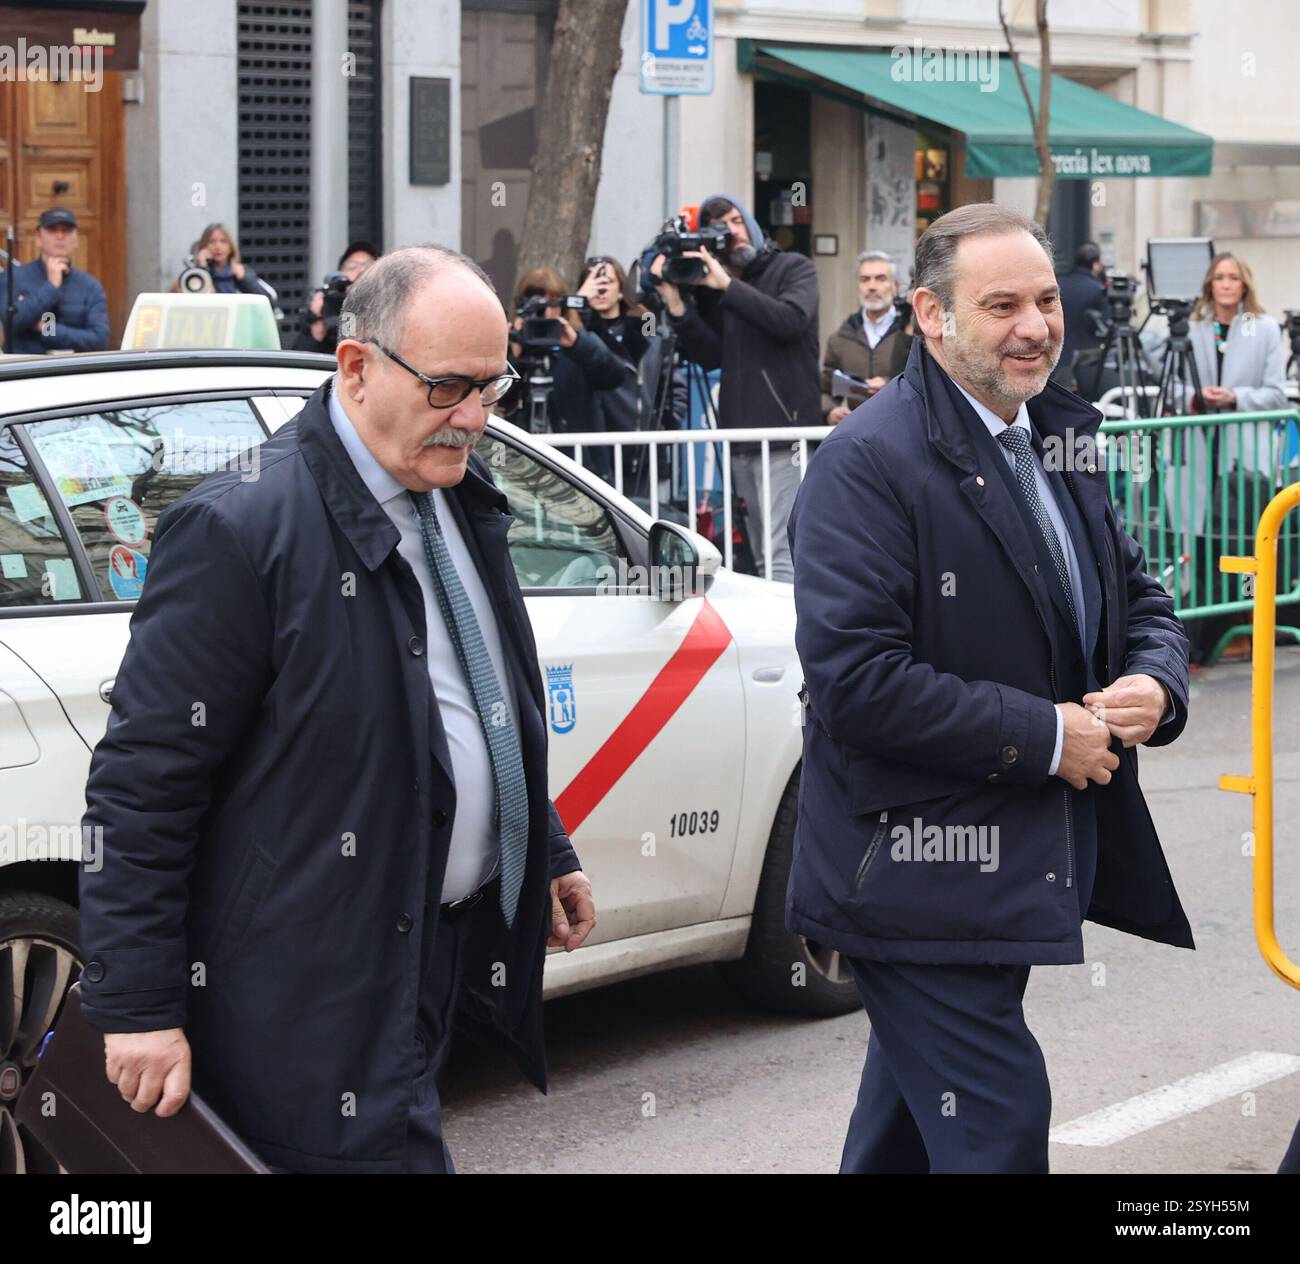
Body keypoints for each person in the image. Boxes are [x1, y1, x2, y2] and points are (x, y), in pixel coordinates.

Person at [77, 244, 597, 1174]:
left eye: (494, 386)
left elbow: (469, 703)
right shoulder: (240, 529)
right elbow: (141, 789)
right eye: (449, 387)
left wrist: (536, 843)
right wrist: (139, 1008)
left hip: (422, 956)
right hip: (301, 991)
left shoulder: (456, 497)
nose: (476, 418)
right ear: (356, 367)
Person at [787, 203, 1192, 1174]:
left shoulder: (1056, 433)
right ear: (930, 315)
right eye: (1001, 304)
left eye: (1046, 299)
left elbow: (1138, 595)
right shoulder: (864, 464)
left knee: (902, 1139)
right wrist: (1048, 736)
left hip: (1008, 868)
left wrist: (1154, 683)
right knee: (997, 1129)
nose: (1035, 325)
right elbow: (856, 683)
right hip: (913, 876)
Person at [651, 193, 819, 583]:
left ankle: (788, 641)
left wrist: (727, 285)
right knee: (759, 551)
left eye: (735, 220)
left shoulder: (794, 267)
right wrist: (678, 305)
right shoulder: (720, 289)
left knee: (783, 553)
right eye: (719, 226)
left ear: (751, 223)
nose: (731, 231)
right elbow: (711, 356)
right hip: (740, 437)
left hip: (784, 435)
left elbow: (790, 321)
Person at [1182, 252, 1289, 660]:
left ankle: (1245, 627)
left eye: (1233, 278)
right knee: (1206, 539)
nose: (1226, 285)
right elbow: (1170, 386)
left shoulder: (1262, 328)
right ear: (1210, 284)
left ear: (1244, 284)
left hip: (1245, 453)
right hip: (1199, 448)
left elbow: (1276, 392)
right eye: (1219, 278)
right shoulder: (1193, 328)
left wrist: (1234, 397)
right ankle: (1206, 633)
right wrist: (1196, 397)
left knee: (1246, 537)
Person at [577, 253, 686, 490]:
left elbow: (670, 379)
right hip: (596, 451)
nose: (601, 291)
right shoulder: (578, 337)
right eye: (595, 284)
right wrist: (580, 308)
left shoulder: (645, 330)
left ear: (621, 290)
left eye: (608, 283)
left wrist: (669, 421)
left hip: (646, 451)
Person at [500, 265, 624, 437]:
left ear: (562, 306)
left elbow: (615, 377)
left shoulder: (576, 343)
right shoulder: (513, 341)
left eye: (552, 303)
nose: (546, 313)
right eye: (538, 307)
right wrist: (516, 357)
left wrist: (578, 344)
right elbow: (501, 400)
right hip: (526, 457)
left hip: (574, 455)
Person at [822, 250, 912, 425]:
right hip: (859, 437)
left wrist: (889, 385)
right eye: (865, 279)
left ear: (895, 286)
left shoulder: (911, 332)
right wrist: (830, 411)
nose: (871, 286)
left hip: (905, 430)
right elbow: (826, 387)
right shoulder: (840, 338)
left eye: (880, 279)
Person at [6, 207, 109, 354]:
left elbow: (99, 340)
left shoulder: (90, 286)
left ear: (76, 239)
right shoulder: (14, 277)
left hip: (73, 372)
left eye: (66, 230)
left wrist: (46, 328)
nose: (60, 236)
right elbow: (12, 321)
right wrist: (52, 287)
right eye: (52, 230)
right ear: (38, 238)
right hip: (26, 370)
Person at [292, 239, 380, 354]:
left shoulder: (385, 306)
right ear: (340, 274)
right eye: (352, 266)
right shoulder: (328, 301)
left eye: (369, 266)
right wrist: (318, 322)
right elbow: (300, 360)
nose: (361, 270)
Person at [1053, 241, 1107, 389]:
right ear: (1095, 264)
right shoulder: (1097, 290)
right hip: (1085, 362)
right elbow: (1105, 328)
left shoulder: (1058, 285)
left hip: (1055, 358)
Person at [186, 222, 277, 303]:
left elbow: (267, 301)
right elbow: (198, 300)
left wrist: (244, 278)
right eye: (212, 241)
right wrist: (202, 267)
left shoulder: (241, 271)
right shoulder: (195, 274)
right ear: (204, 246)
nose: (218, 247)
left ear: (231, 247)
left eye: (223, 241)